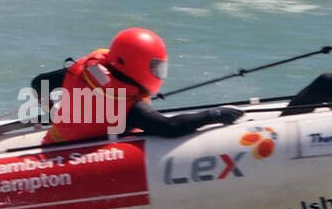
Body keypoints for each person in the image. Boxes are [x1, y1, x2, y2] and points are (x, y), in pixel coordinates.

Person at [33, 27, 243, 143]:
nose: (158, 72)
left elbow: (39, 82)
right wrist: (212, 115)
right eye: (155, 67)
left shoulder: (83, 71)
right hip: (72, 161)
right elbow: (169, 127)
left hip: (54, 142)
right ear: (135, 64)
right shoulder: (131, 107)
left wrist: (54, 115)